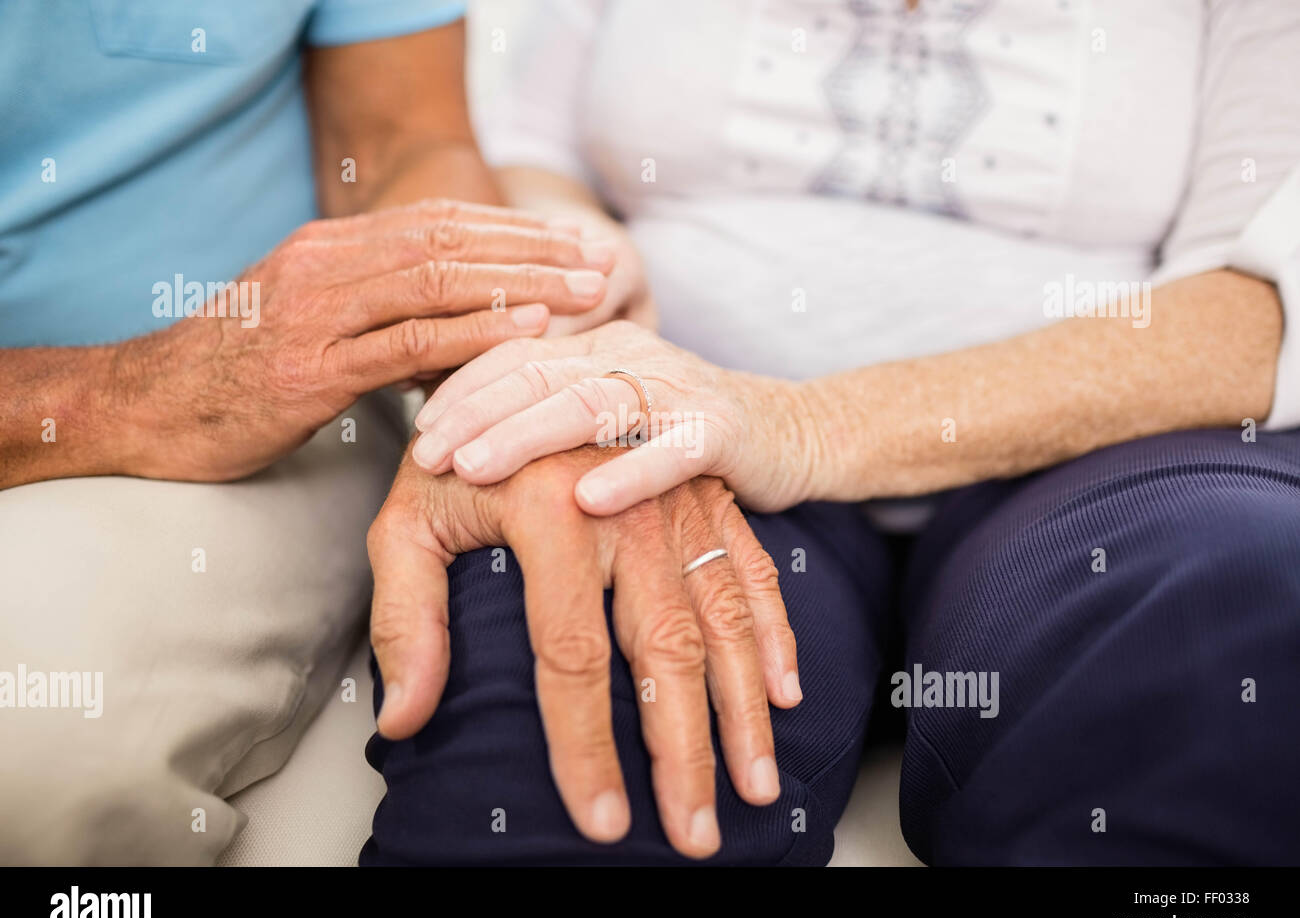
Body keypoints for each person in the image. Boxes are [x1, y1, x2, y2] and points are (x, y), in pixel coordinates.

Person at [361, 0, 1300, 864]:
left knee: (1226, 618)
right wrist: (572, 260)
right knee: (554, 671)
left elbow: (1262, 306)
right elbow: (519, 147)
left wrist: (803, 423)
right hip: (674, 423)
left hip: (1116, 449)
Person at [0, 0, 628, 864]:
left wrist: (498, 391)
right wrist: (113, 392)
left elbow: (403, 141)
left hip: (259, 423)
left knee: (38, 757)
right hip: (134, 400)